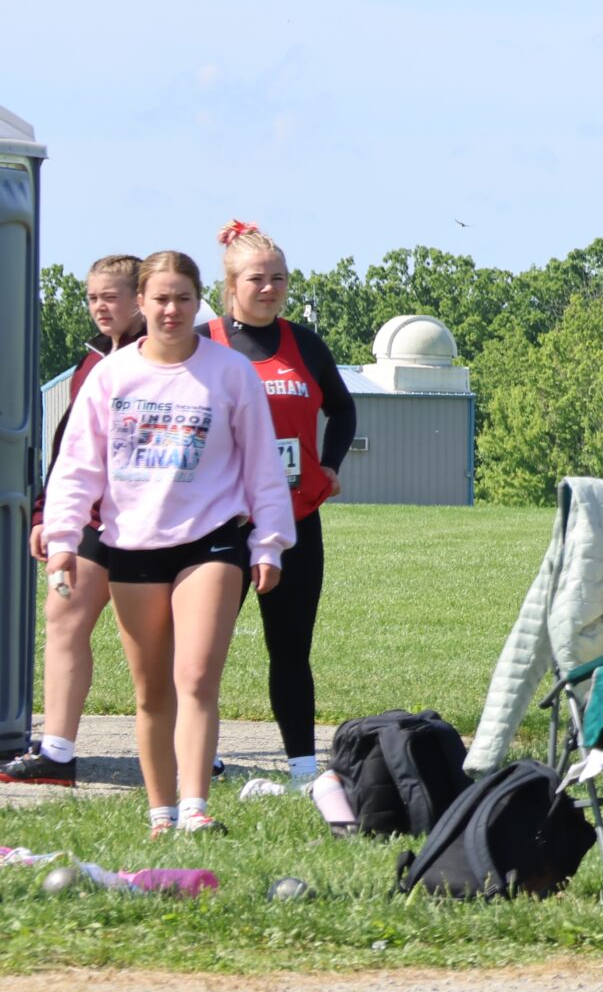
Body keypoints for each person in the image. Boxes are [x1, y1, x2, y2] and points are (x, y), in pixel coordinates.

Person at [44, 251, 293, 836]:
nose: (171, 309)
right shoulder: (112, 376)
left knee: (198, 676)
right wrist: (62, 538)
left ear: (198, 300)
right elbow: (79, 466)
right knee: (152, 691)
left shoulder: (229, 373)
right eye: (160, 298)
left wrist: (269, 544)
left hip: (211, 541)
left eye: (183, 298)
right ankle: (160, 813)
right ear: (142, 304)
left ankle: (196, 808)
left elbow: (263, 467)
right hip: (132, 544)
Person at [203, 221, 358, 787]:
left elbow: (342, 409)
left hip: (293, 520)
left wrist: (331, 465)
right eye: (256, 279)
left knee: (291, 649)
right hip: (218, 523)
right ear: (230, 283)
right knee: (202, 652)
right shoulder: (204, 342)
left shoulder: (305, 344)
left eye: (279, 278)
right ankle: (201, 757)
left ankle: (301, 767)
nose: (269, 288)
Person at [6, 255, 146, 785]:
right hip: (90, 523)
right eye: (92, 298)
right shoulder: (92, 364)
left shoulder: (168, 358)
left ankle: (189, 750)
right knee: (63, 621)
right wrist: (47, 513)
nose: (99, 307)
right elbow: (69, 449)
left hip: (148, 524)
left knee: (155, 645)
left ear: (140, 297)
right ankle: (58, 753)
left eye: (110, 296)